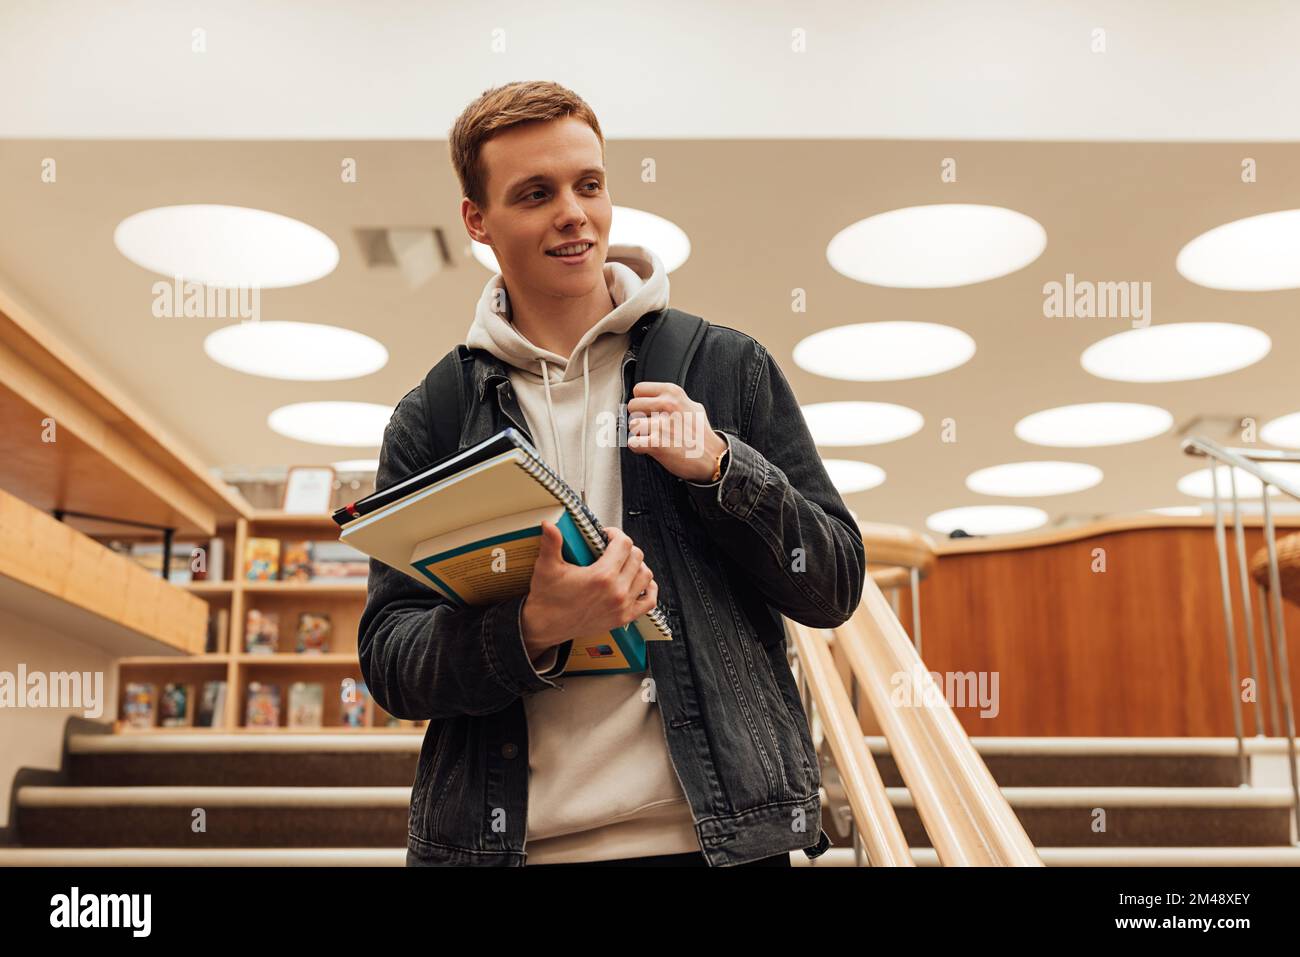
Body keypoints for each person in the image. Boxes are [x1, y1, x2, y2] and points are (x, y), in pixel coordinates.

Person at [358, 80, 865, 867]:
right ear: (477, 221)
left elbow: (832, 583)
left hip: (721, 842)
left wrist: (724, 468)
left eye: (588, 184)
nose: (573, 212)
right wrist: (530, 628)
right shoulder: (433, 415)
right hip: (507, 848)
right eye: (535, 193)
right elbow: (392, 659)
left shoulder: (725, 366)